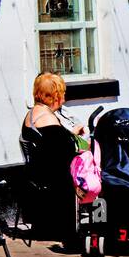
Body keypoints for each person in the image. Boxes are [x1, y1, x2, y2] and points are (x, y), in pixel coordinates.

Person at [20, 72, 85, 245]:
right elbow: (66, 149)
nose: (63, 99)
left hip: (38, 170)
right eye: (62, 94)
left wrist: (70, 133)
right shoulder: (48, 119)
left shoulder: (34, 114)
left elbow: (54, 144)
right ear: (54, 96)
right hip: (51, 175)